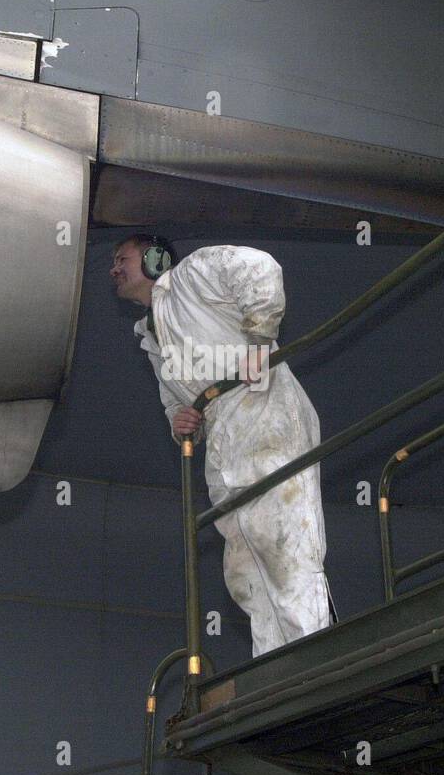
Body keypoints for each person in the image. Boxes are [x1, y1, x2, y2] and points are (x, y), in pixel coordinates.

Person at [111, 234, 333, 657]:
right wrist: (182, 424)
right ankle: (274, 667)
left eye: (122, 258)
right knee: (244, 570)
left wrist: (260, 341)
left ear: (156, 258)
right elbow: (175, 400)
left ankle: (313, 659)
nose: (114, 269)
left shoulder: (194, 273)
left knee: (284, 547)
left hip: (265, 417)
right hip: (225, 445)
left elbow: (259, 267)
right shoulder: (150, 335)